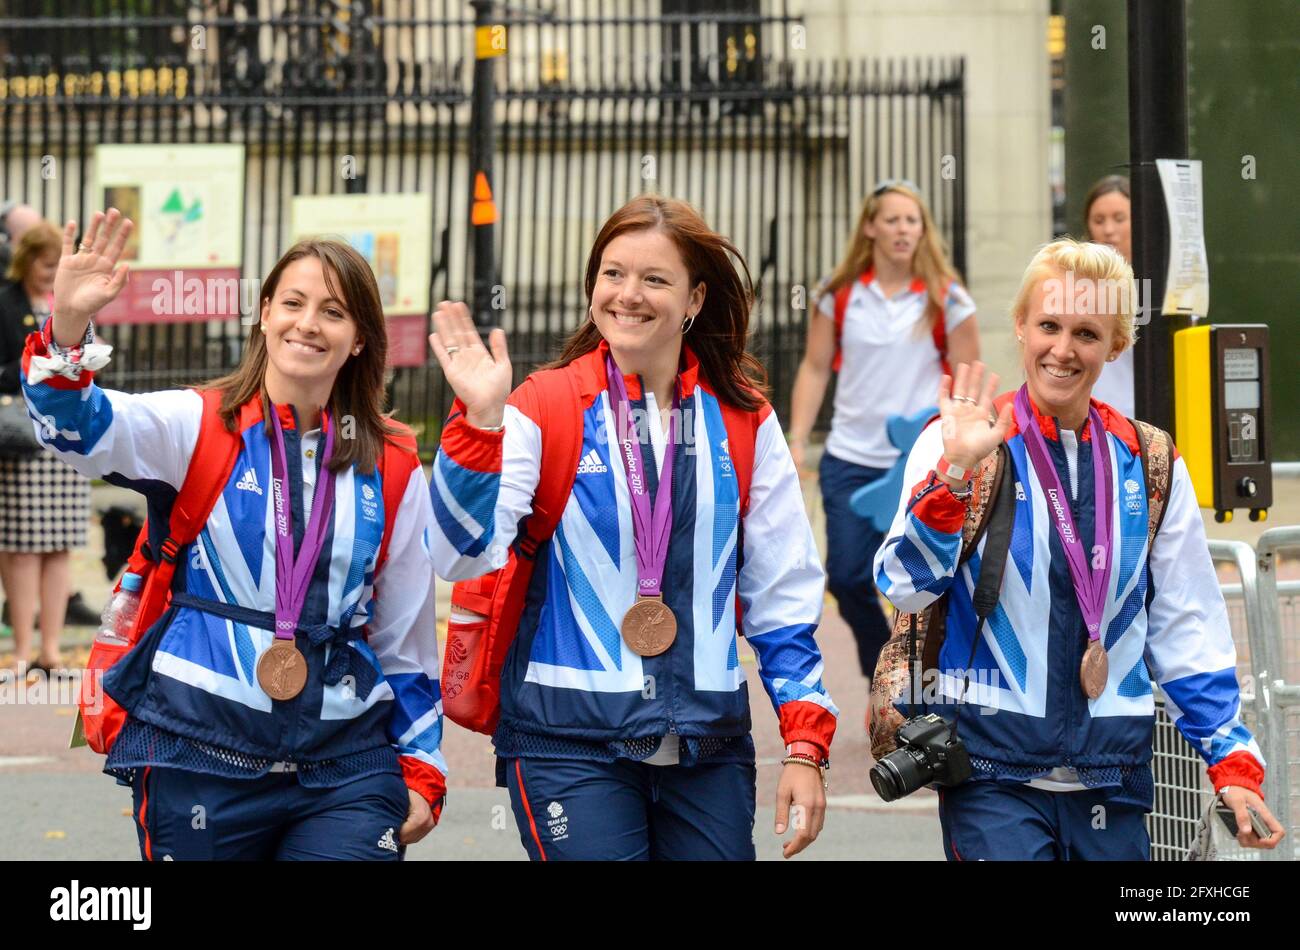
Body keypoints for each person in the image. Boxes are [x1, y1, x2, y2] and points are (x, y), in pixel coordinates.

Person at [23, 208, 447, 860]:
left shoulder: (388, 460)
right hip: (198, 753)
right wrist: (69, 326)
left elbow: (405, 639)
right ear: (264, 314)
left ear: (359, 338)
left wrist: (421, 763)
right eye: (294, 303)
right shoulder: (195, 424)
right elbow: (75, 427)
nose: (308, 323)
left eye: (333, 312)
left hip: (345, 766)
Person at [429, 195, 837, 860]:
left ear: (696, 300)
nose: (628, 295)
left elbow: (783, 598)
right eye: (612, 274)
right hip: (567, 742)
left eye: (655, 279)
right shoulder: (544, 405)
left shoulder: (743, 421)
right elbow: (459, 555)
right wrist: (478, 427)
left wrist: (803, 742)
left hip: (710, 744)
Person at [874, 238, 1285, 860]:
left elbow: (1186, 626)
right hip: (992, 775)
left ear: (1115, 345)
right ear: (1020, 326)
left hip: (1109, 780)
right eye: (1048, 325)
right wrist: (953, 476)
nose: (1063, 350)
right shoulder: (960, 442)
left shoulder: (1150, 462)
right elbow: (903, 584)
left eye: (1087, 333)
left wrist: (1232, 762)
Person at [788, 180, 979, 722]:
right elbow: (815, 366)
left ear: (923, 231)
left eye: (912, 221)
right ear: (870, 226)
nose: (903, 230)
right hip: (849, 458)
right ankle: (888, 670)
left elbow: (966, 383)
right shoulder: (840, 293)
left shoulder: (947, 297)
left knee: (922, 582)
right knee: (847, 577)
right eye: (892, 220)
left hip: (919, 463)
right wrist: (799, 438)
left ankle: (918, 695)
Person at [0, 221, 93, 677]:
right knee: (20, 547)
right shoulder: (5, 302)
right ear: (26, 261)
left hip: (64, 433)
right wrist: (33, 367)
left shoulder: (70, 304)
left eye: (58, 264)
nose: (50, 271)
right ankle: (20, 650)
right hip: (19, 436)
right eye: (44, 263)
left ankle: (51, 651)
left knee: (59, 545)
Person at [1082, 175, 1134, 416]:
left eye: (1119, 219)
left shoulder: (1162, 290)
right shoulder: (1074, 289)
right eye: (1099, 220)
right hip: (1089, 416)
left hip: (1140, 419)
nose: (1109, 230)